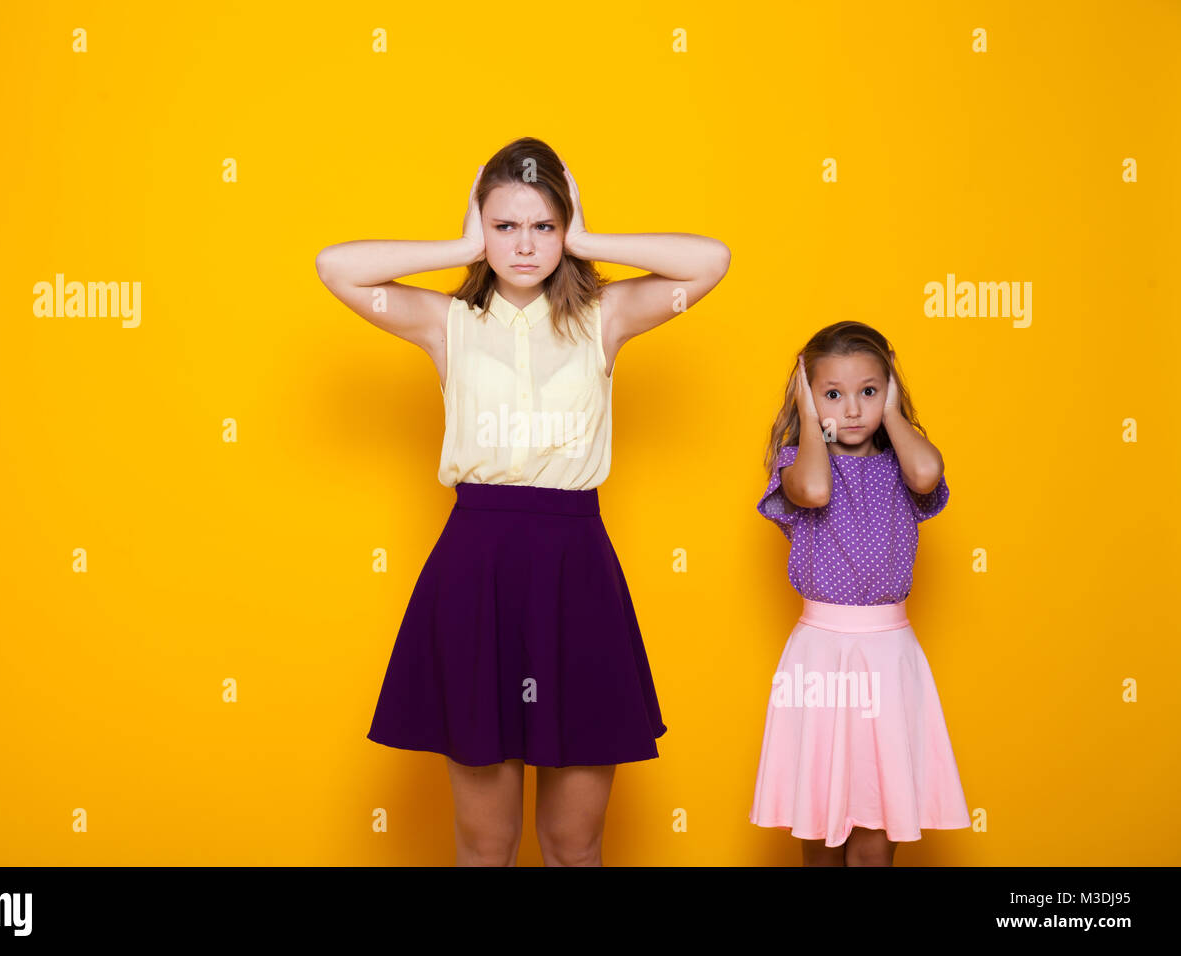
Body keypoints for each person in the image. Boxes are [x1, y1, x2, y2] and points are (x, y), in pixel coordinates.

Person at [315, 137, 730, 865]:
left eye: (544, 225)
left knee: (574, 844)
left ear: (565, 228)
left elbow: (711, 260)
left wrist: (590, 240)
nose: (525, 245)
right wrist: (457, 247)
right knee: (486, 844)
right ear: (482, 228)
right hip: (476, 570)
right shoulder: (446, 322)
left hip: (575, 569)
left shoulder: (605, 316)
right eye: (504, 226)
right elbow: (334, 266)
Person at [749, 321, 971, 866]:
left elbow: (928, 473)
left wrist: (891, 412)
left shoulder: (902, 465)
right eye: (832, 395)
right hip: (821, 653)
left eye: (868, 391)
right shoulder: (796, 464)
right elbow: (815, 489)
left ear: (888, 390)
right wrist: (809, 418)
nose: (852, 410)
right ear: (808, 397)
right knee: (821, 827)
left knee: (877, 829)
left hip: (889, 655)